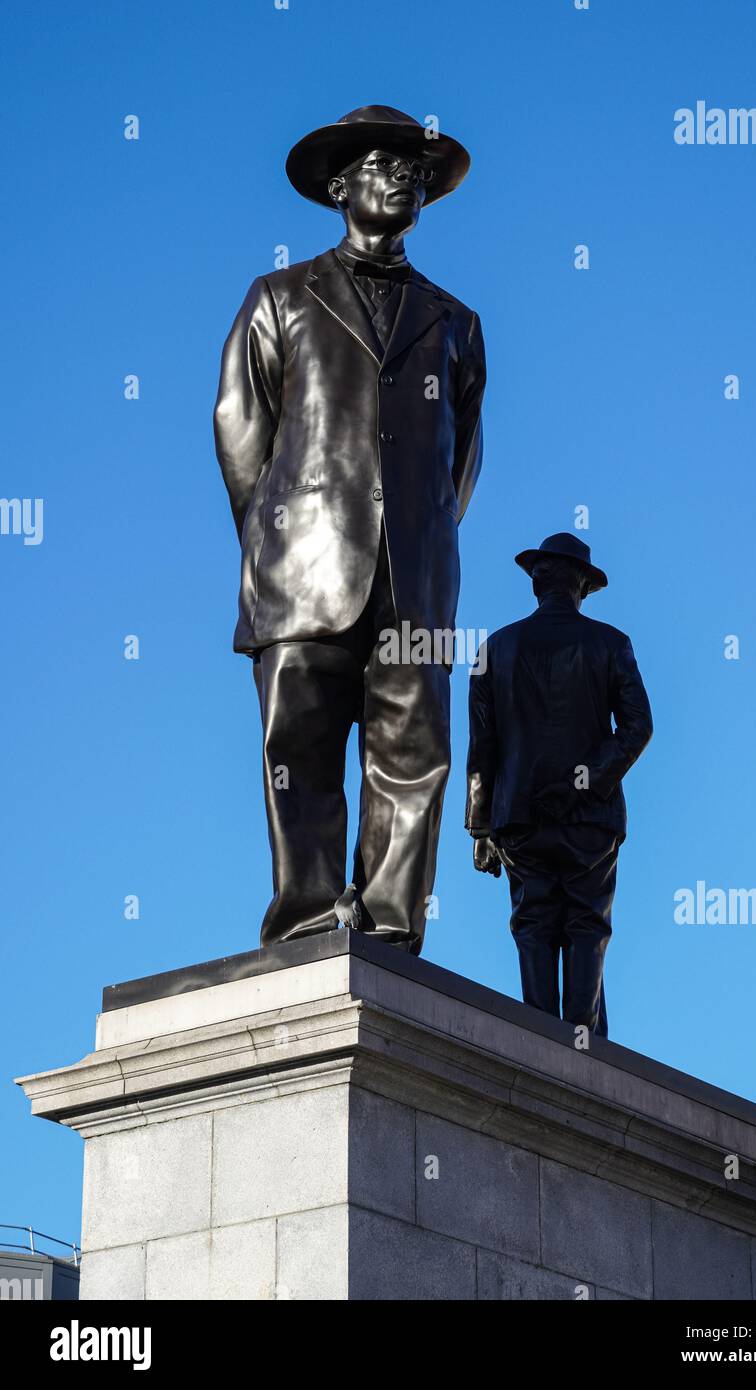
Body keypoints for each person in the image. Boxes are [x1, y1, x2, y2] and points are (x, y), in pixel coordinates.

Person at [214, 107, 486, 950]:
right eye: (382, 164)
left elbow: (461, 460)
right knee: (298, 746)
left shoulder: (455, 321)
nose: (403, 177)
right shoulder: (280, 298)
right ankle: (302, 923)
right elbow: (240, 431)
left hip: (416, 579)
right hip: (303, 570)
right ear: (340, 187)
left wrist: (420, 536)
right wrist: (278, 539)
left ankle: (394, 937)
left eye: (414, 169)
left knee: (415, 758)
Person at [466, 534, 652, 1035]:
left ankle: (540, 1041)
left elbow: (481, 749)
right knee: (587, 923)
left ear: (536, 582)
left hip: (519, 819)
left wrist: (480, 827)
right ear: (583, 588)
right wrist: (587, 781)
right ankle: (582, 1042)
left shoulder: (494, 649)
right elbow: (638, 728)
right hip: (590, 820)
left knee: (533, 927)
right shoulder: (611, 643)